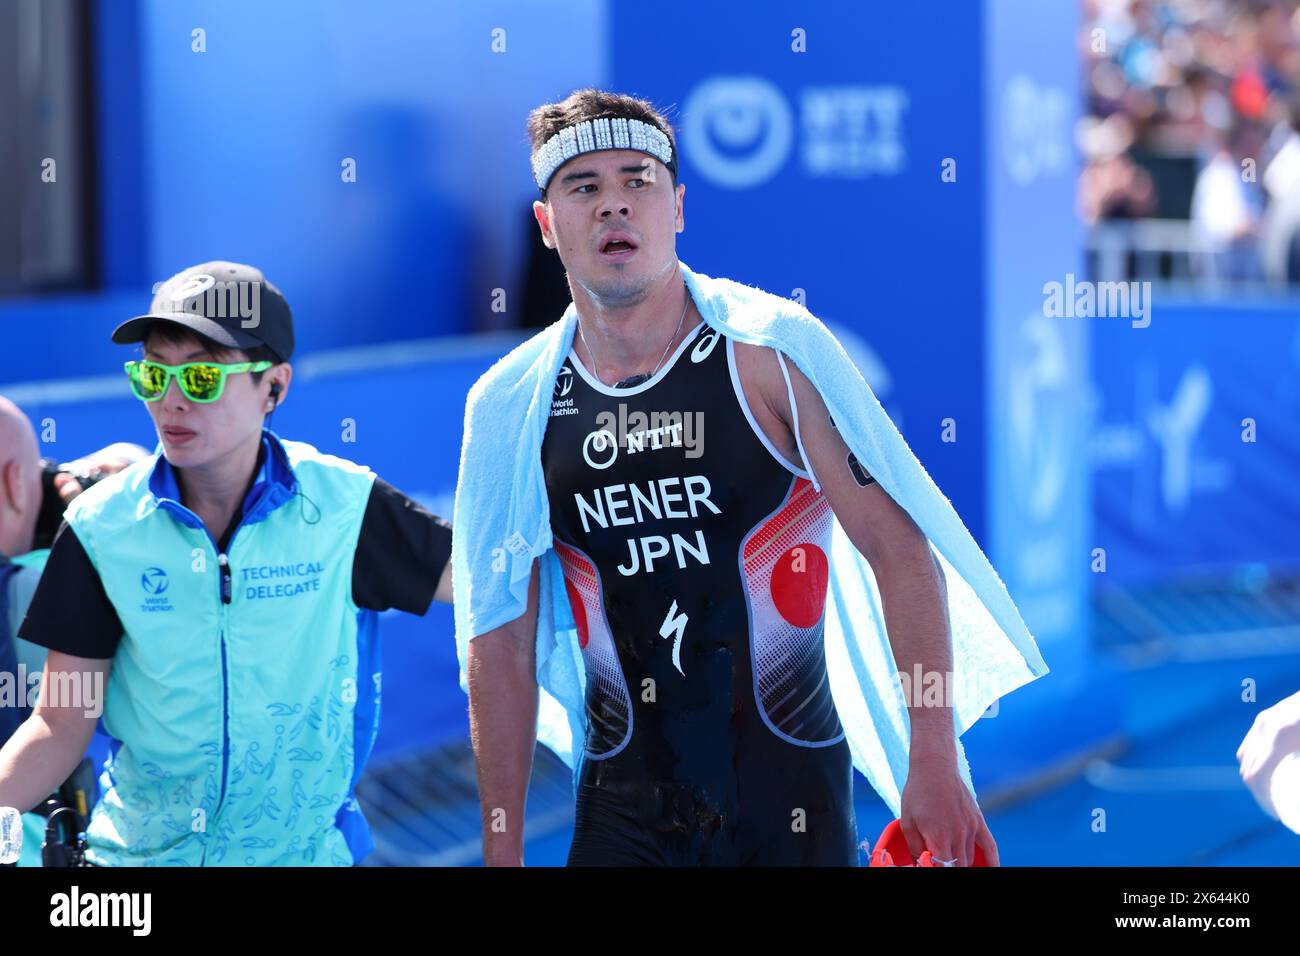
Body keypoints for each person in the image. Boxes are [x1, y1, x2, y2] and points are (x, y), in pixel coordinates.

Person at [453, 89, 1048, 867]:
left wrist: (930, 758)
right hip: (621, 820)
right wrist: (501, 850)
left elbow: (901, 552)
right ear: (546, 224)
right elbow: (497, 636)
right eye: (584, 187)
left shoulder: (768, 350)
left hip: (788, 810)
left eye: (638, 181)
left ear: (679, 208)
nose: (614, 207)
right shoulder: (510, 404)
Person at [0, 261, 453, 866]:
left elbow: (495, 583)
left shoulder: (345, 507)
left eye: (203, 378)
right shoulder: (100, 528)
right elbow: (59, 723)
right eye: (153, 376)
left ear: (275, 387)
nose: (172, 400)